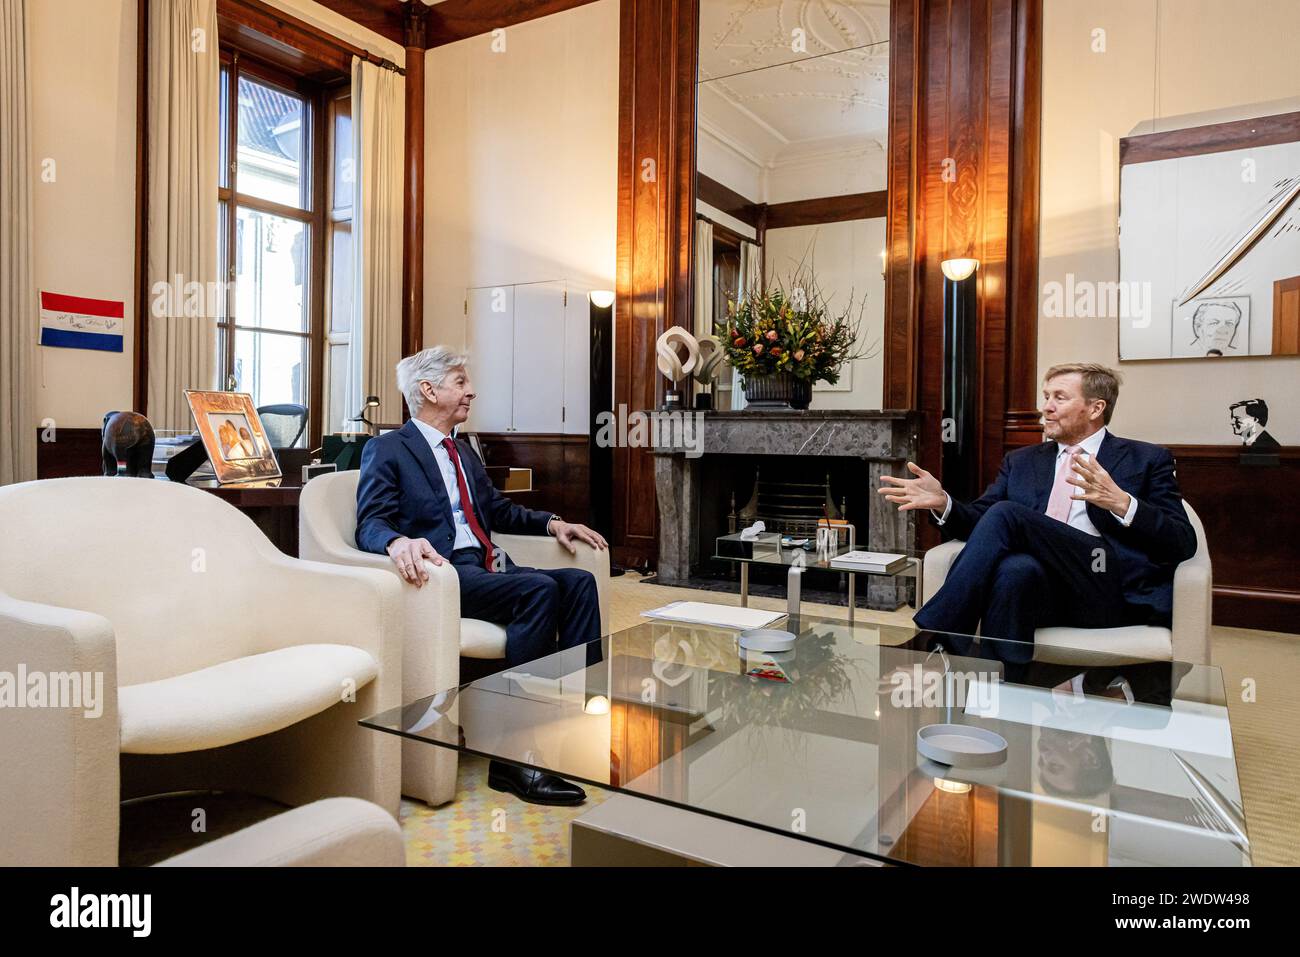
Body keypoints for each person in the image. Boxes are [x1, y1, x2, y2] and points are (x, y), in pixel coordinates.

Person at [355, 346, 607, 806]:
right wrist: (397, 542)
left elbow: (497, 510)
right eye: (459, 381)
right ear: (428, 390)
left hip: (487, 569)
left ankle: (575, 724)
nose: (471, 390)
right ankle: (516, 759)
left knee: (577, 584)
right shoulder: (388, 449)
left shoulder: (464, 451)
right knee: (538, 589)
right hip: (443, 578)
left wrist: (554, 523)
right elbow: (370, 521)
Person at [877, 363, 1197, 663]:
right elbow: (982, 522)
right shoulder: (1021, 461)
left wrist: (1122, 503)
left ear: (1096, 408)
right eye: (1046, 397)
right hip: (1041, 590)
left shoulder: (1147, 459)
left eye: (1059, 397)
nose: (1046, 407)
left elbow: (1181, 541)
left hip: (1104, 590)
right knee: (1015, 570)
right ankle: (1002, 698)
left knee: (1008, 515)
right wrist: (944, 503)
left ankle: (935, 636)